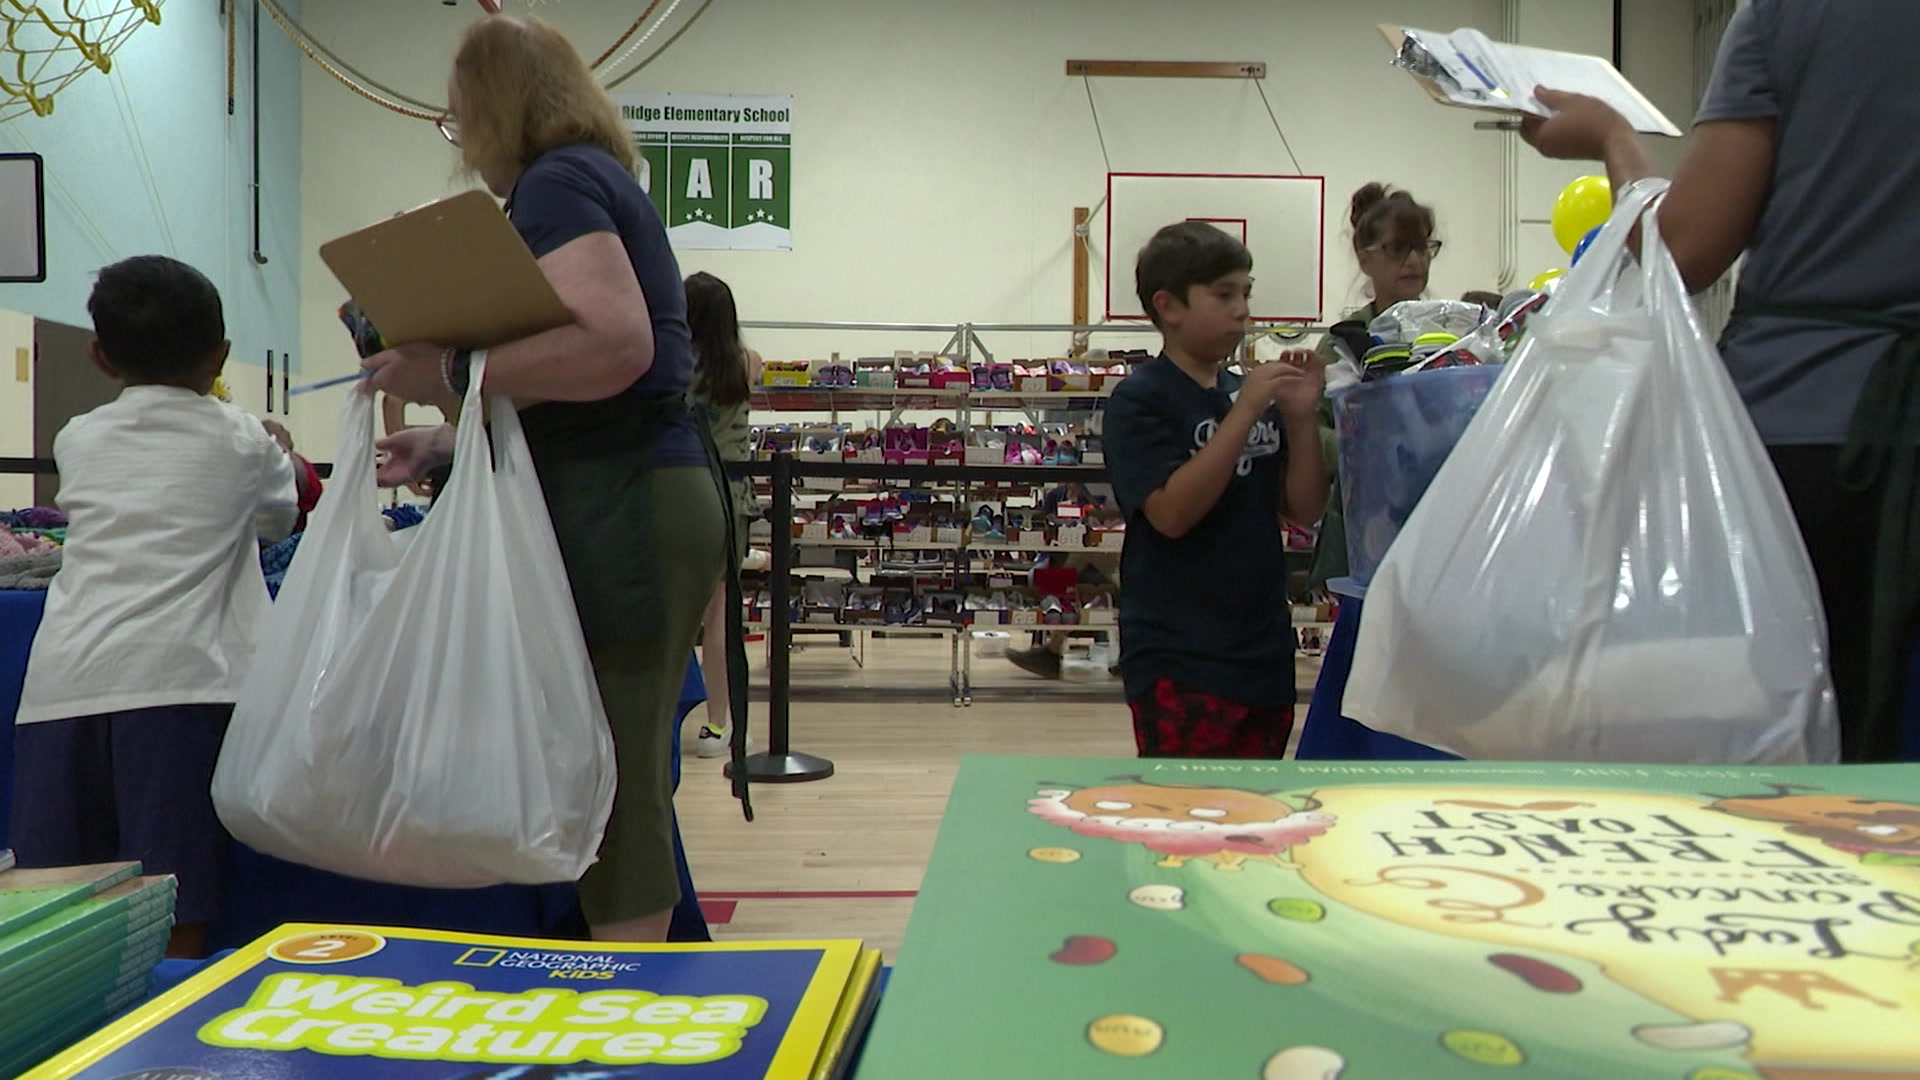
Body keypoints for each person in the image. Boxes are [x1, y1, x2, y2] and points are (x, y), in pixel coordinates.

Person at [364, 15, 730, 940]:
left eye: (458, 123)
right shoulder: (583, 182)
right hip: (628, 484)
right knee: (605, 749)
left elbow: (613, 347)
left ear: (493, 111)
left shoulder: (558, 182)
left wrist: (446, 376)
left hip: (629, 498)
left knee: (613, 756)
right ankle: (631, 953)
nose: (462, 147)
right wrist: (451, 446)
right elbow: (585, 380)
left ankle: (630, 987)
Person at [1519, 0, 1919, 763]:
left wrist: (1611, 136)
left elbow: (1686, 247)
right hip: (1843, 434)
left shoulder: (1790, 16)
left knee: (1795, 768)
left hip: (1810, 442)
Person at [11, 255, 301, 958]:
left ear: (100, 356)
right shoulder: (243, 440)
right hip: (183, 689)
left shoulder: (77, 437)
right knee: (176, 910)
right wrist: (279, 452)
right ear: (221, 355)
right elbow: (278, 520)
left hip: (62, 691)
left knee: (55, 907)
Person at [1102, 221, 1328, 757]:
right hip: (1179, 653)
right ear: (1169, 306)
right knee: (1187, 815)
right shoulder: (1140, 400)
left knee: (1253, 816)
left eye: (1246, 293)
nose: (1243, 310)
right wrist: (1246, 410)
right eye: (1224, 294)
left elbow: (1303, 508)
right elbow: (1171, 514)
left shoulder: (1242, 392)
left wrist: (1298, 418)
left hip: (1263, 649)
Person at [684, 270, 760, 758]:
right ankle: (719, 725)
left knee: (675, 614)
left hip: (683, 488)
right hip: (732, 496)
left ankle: (665, 717)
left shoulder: (672, 366)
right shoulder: (747, 363)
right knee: (721, 617)